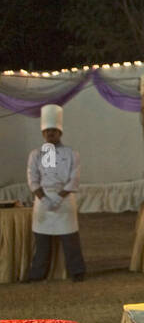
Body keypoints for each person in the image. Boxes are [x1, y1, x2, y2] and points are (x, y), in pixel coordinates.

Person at [25, 104, 85, 283]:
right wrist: (43, 198)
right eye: (47, 131)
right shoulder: (35, 154)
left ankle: (77, 271)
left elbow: (74, 178)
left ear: (60, 133)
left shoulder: (72, 154)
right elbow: (32, 179)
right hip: (42, 200)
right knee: (42, 242)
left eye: (54, 130)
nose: (50, 134)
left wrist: (59, 197)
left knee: (70, 240)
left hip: (64, 200)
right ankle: (37, 274)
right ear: (43, 134)